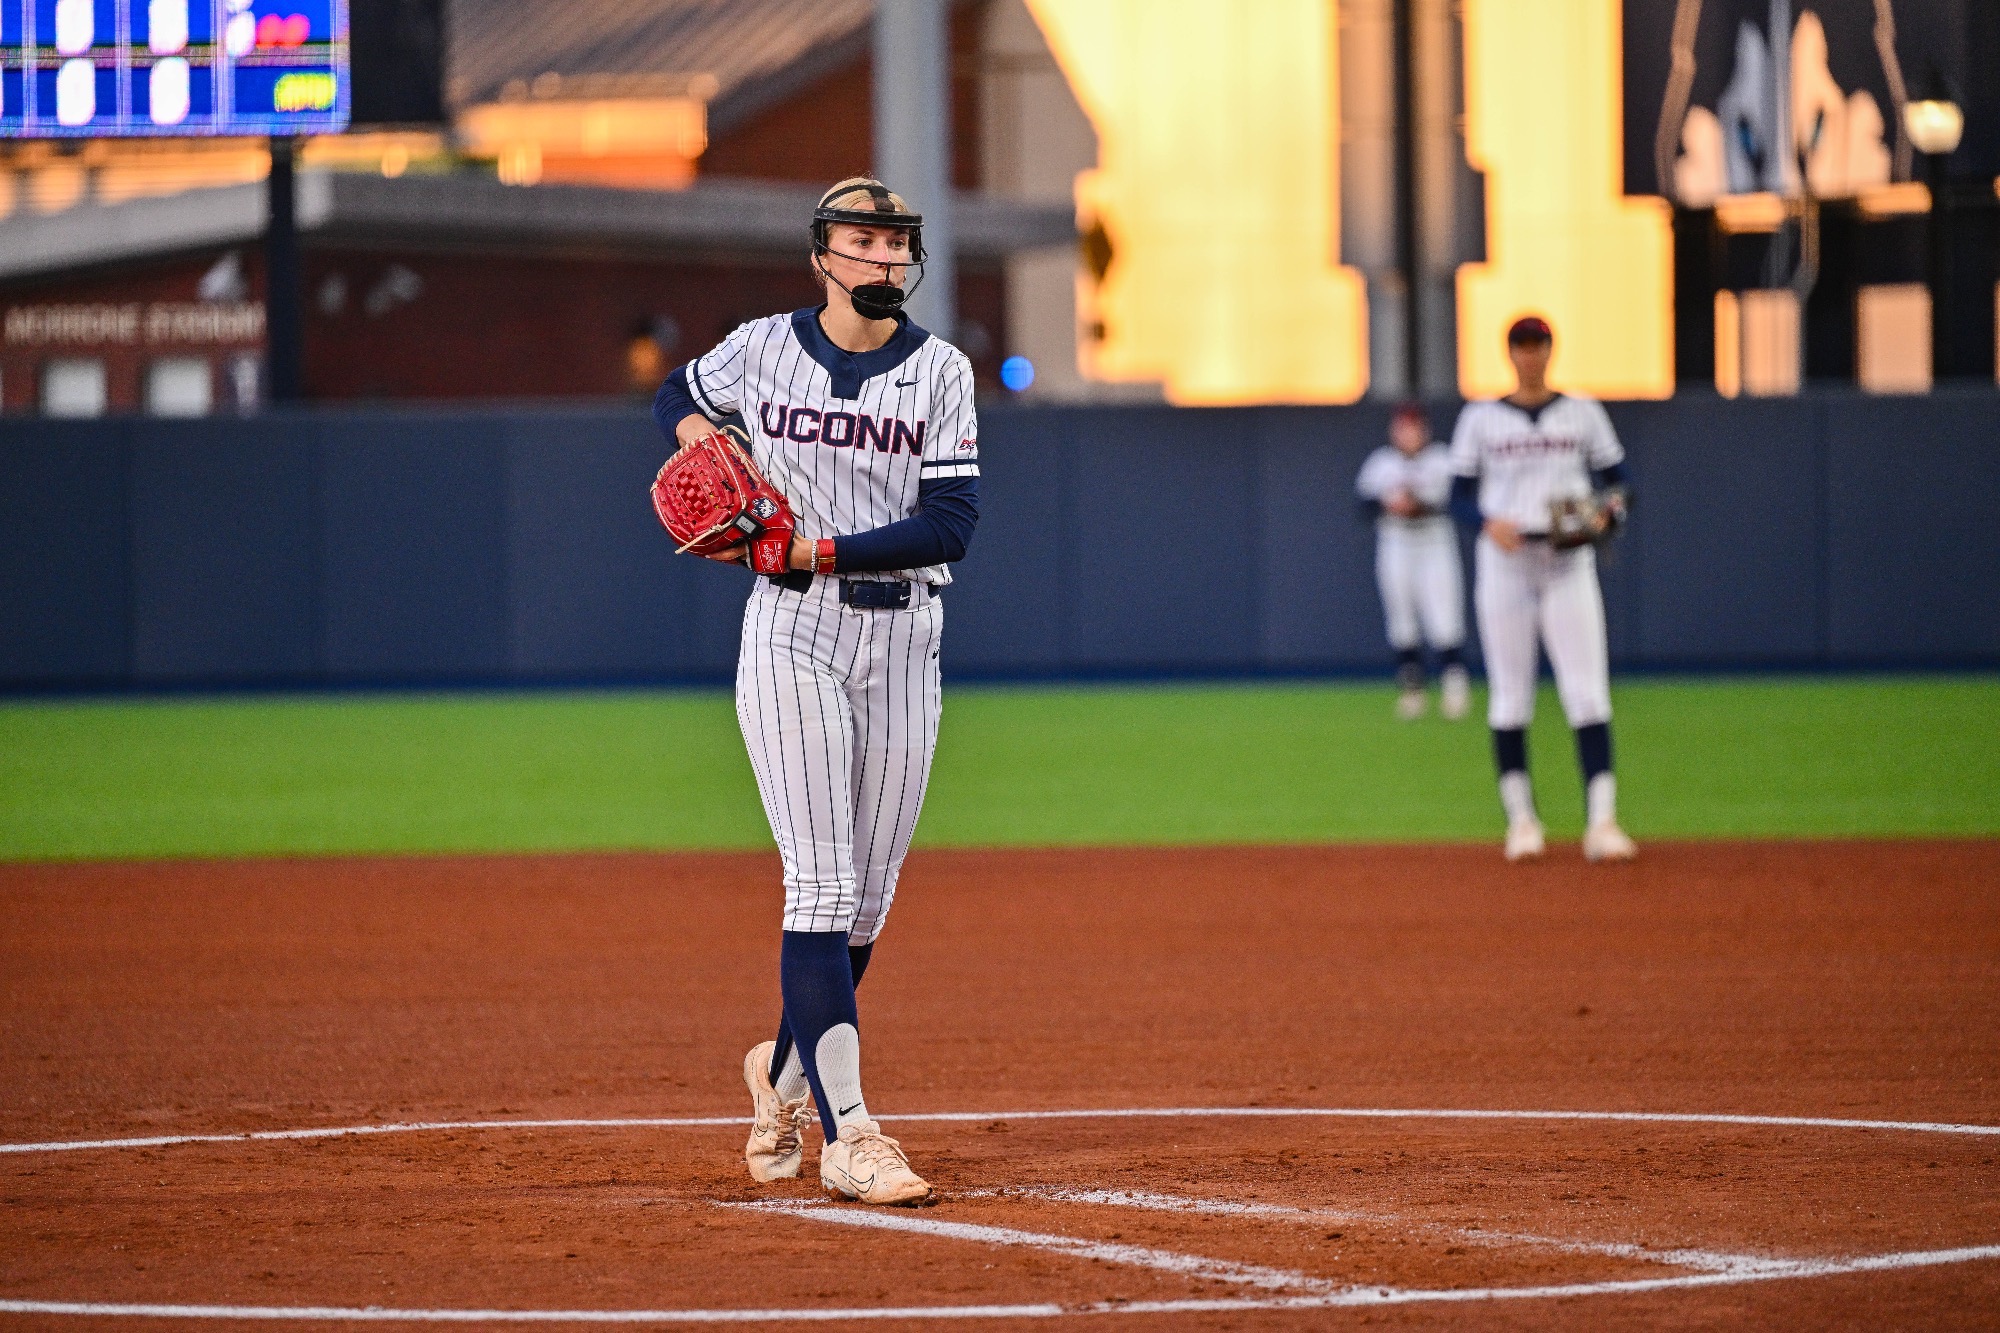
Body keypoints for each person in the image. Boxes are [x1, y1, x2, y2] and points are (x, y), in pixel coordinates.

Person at [651, 177, 981, 1204]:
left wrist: (819, 542)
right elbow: (678, 394)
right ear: (821, 257)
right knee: (822, 881)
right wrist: (699, 437)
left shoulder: (939, 371)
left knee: (868, 901)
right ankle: (851, 1134)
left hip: (904, 633)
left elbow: (949, 523)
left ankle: (781, 1076)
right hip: (792, 629)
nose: (883, 258)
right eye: (862, 241)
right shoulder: (760, 346)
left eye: (896, 243)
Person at [1447, 316, 1637, 863]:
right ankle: (1521, 821)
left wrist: (1607, 516)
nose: (1530, 355)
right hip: (1506, 562)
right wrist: (1485, 521)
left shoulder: (1581, 412)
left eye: (1538, 345)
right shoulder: (1481, 418)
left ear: (1551, 351)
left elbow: (1620, 482)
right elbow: (1458, 494)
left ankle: (1601, 822)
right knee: (1510, 694)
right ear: (1511, 354)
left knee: (1587, 691)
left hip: (1566, 560)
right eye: (1521, 346)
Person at [1356, 402, 1470, 720]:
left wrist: (1420, 505)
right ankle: (1412, 690)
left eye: (1413, 426)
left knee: (1445, 617)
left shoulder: (1441, 460)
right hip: (1396, 546)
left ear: (1424, 429)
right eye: (1402, 427)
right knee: (1401, 619)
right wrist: (1389, 505)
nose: (1408, 433)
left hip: (1434, 544)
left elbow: (1459, 502)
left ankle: (1454, 687)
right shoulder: (1382, 462)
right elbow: (1363, 505)